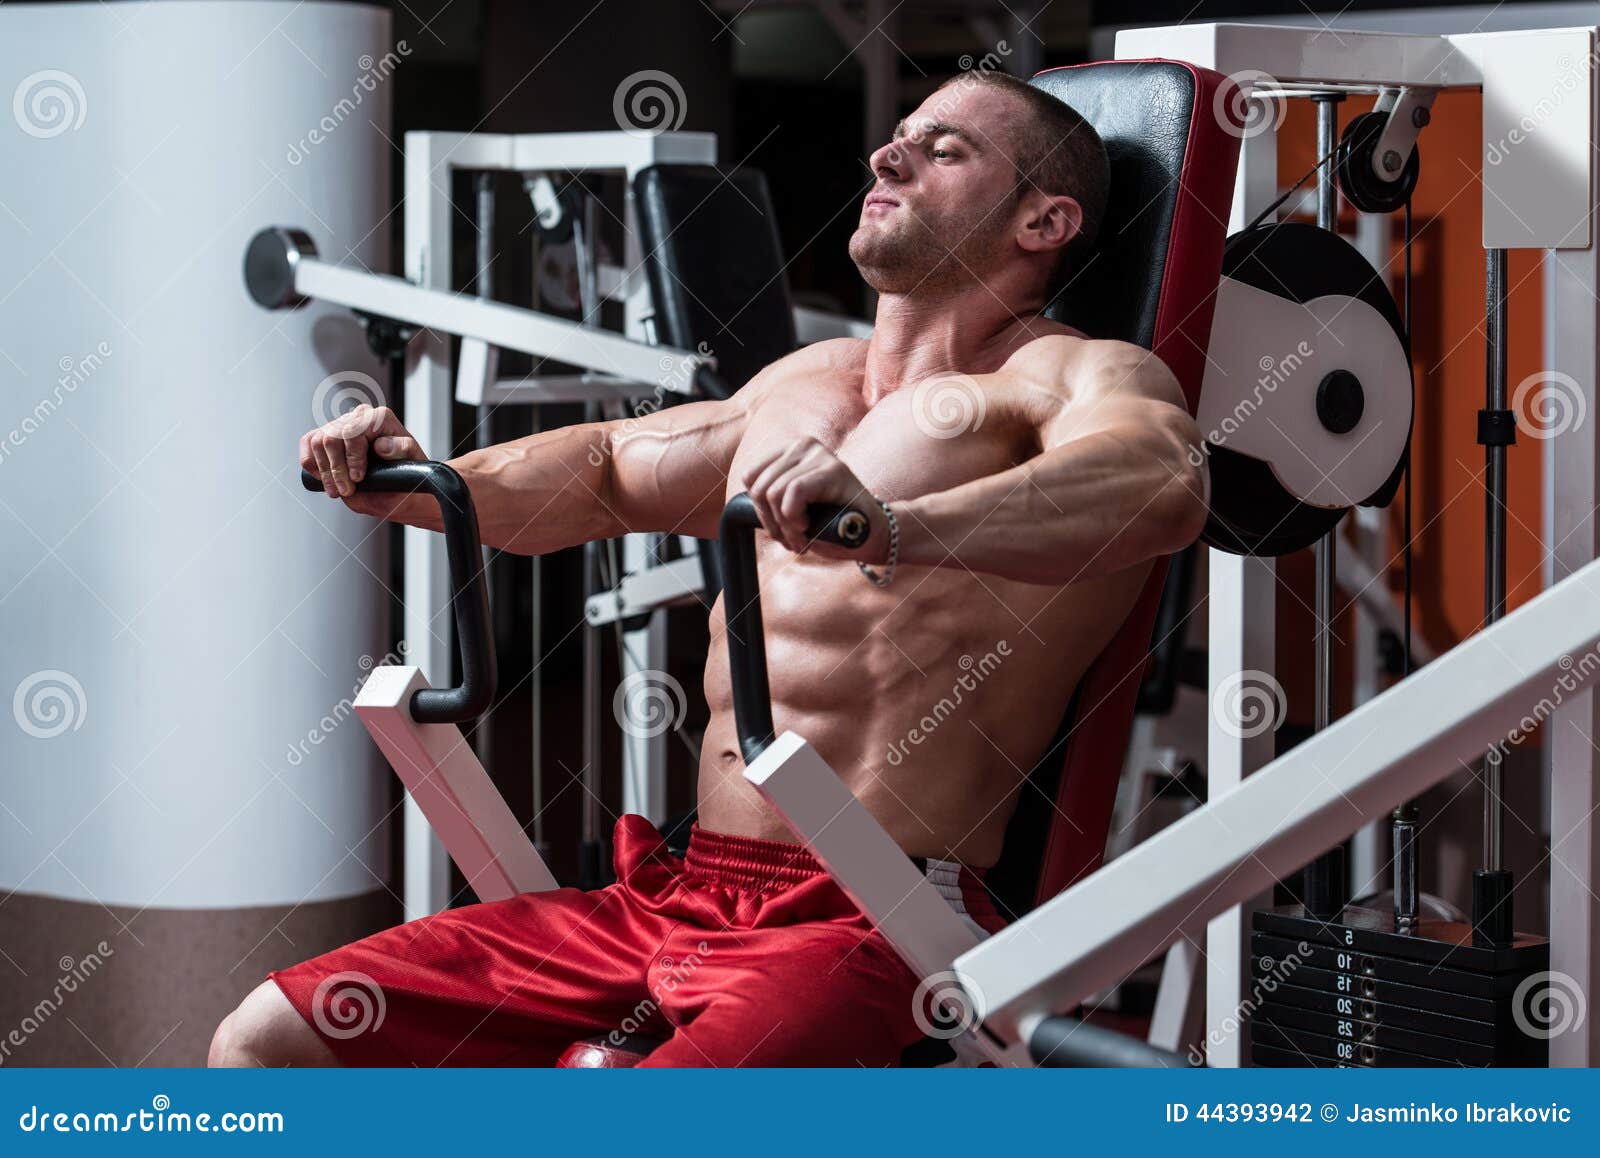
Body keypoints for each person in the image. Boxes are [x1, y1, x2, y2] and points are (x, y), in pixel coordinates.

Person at [210, 70, 1208, 1068]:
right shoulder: (800, 387)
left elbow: (1162, 481)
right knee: (268, 1042)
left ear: (1044, 221)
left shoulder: (1065, 378)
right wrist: (412, 479)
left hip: (872, 917)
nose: (886, 157)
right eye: (897, 135)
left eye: (946, 148)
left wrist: (894, 527)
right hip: (680, 893)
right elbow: (604, 473)